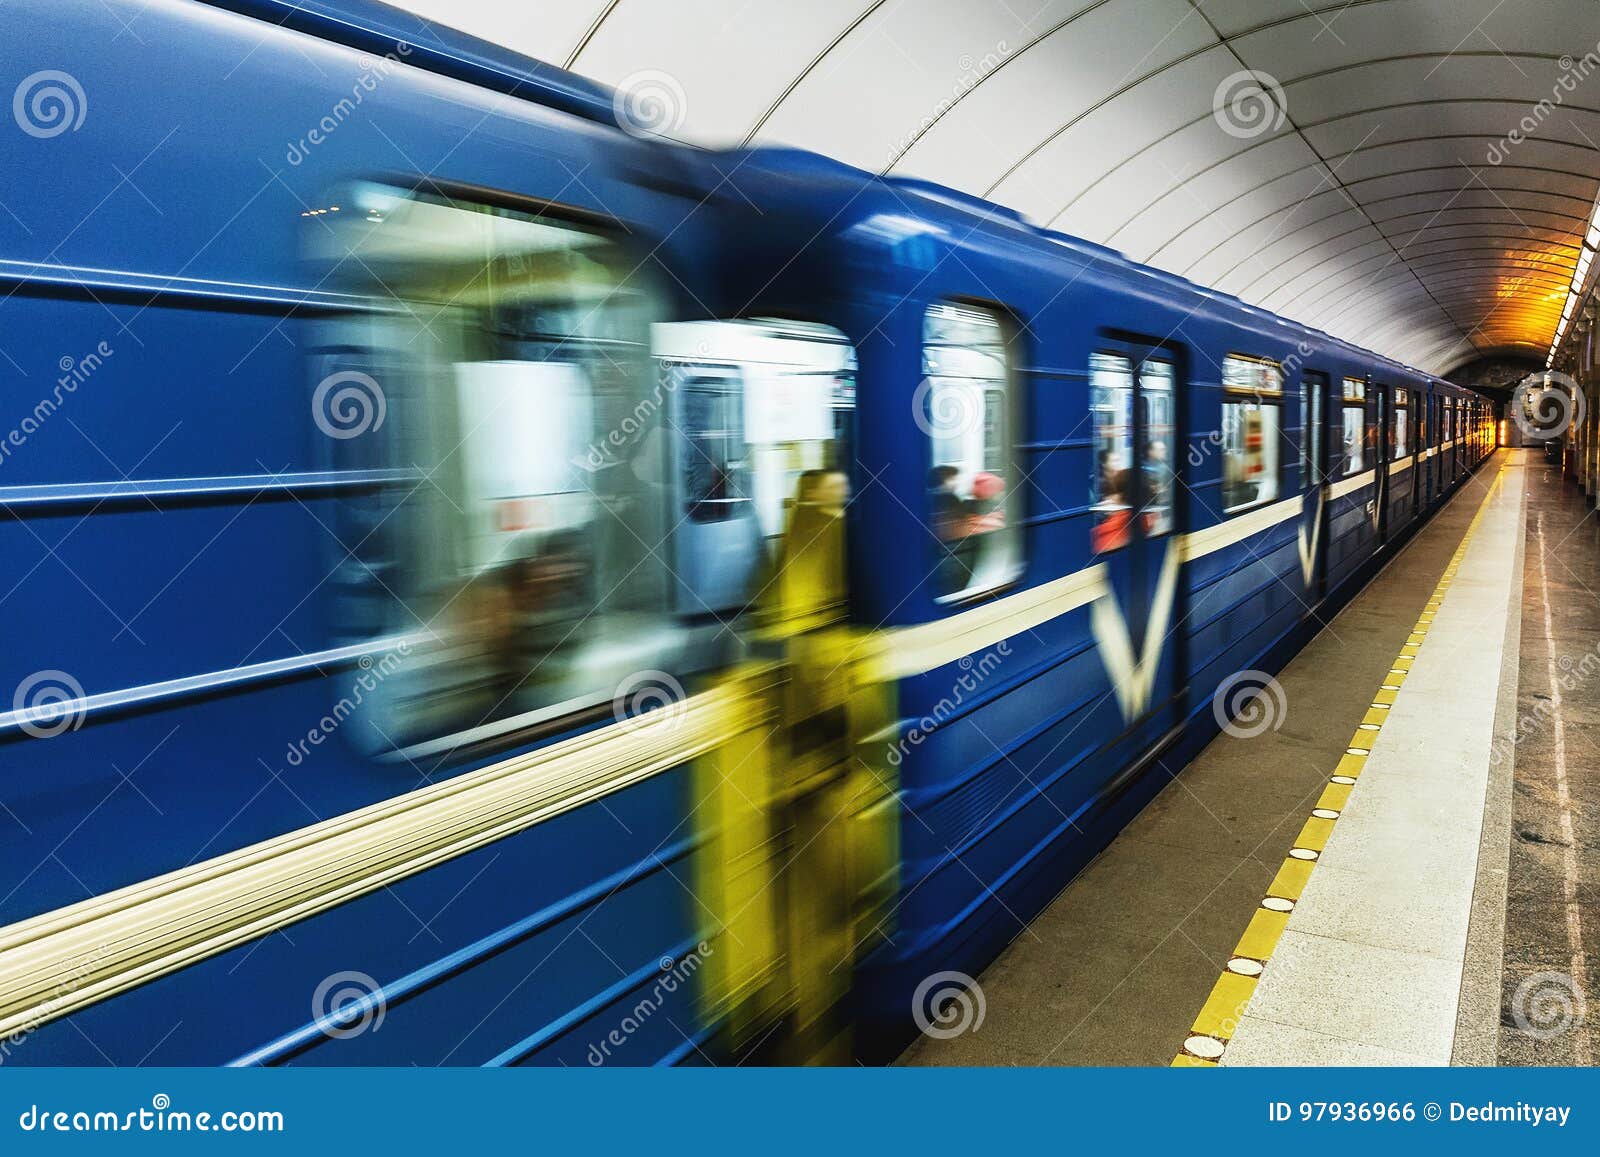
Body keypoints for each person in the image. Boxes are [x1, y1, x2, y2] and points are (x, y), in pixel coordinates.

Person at [1091, 468, 1136, 554]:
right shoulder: (1147, 519)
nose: (1108, 499)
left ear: (1120, 495)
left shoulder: (1105, 533)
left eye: (1113, 492)